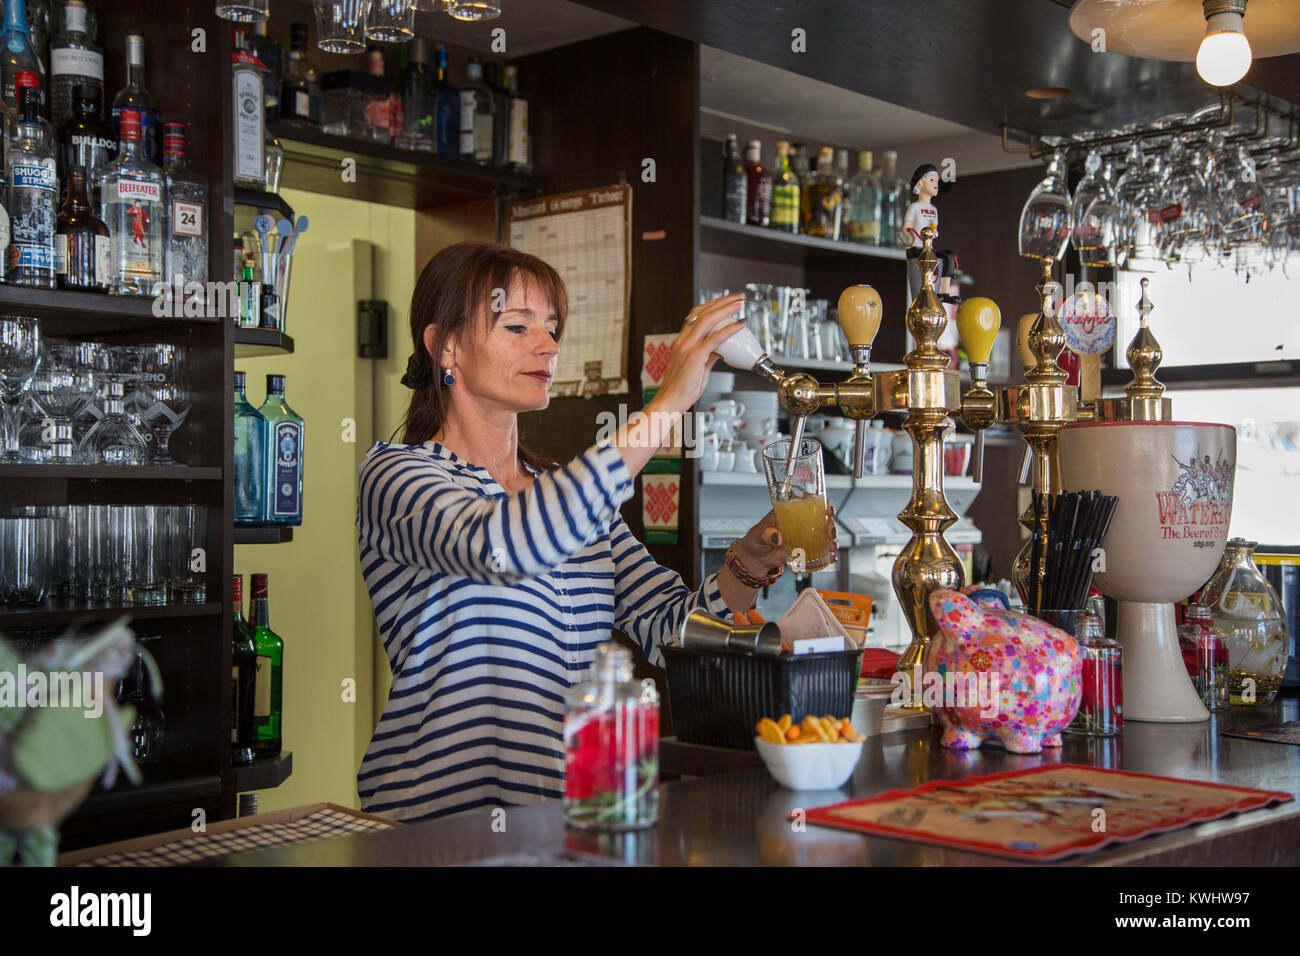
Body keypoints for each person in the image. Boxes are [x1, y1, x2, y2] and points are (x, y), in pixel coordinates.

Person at [354, 241, 837, 820]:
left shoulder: (568, 493)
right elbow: (506, 545)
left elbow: (672, 630)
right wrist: (669, 402)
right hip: (437, 828)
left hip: (567, 819)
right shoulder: (397, 476)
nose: (548, 346)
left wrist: (750, 561)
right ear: (444, 346)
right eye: (516, 325)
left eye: (553, 328)